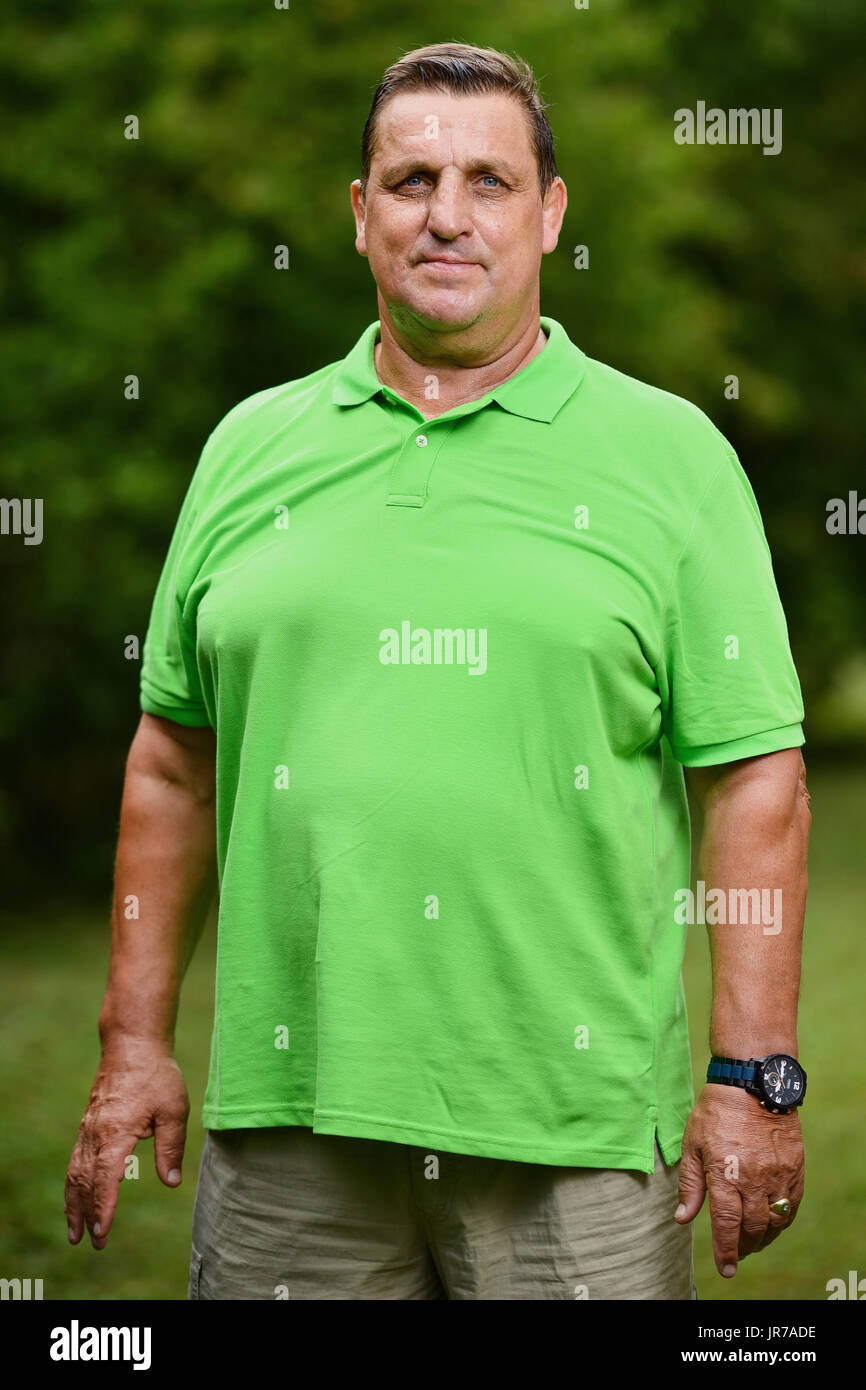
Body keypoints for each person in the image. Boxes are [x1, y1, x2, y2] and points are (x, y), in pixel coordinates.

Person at [65, 41, 811, 1301]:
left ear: (550, 213)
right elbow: (171, 764)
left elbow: (754, 784)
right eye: (410, 181)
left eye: (489, 181)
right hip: (289, 1123)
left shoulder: (668, 457)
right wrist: (133, 1043)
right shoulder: (250, 449)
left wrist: (752, 1081)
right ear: (358, 217)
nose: (447, 217)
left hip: (571, 1141)